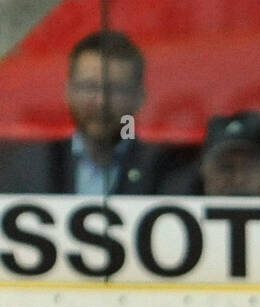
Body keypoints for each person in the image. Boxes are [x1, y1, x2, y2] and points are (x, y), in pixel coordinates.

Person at [0, 30, 186, 196]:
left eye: (116, 89)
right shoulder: (31, 166)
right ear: (68, 92)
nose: (101, 102)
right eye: (89, 87)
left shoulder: (167, 170)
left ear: (139, 97)